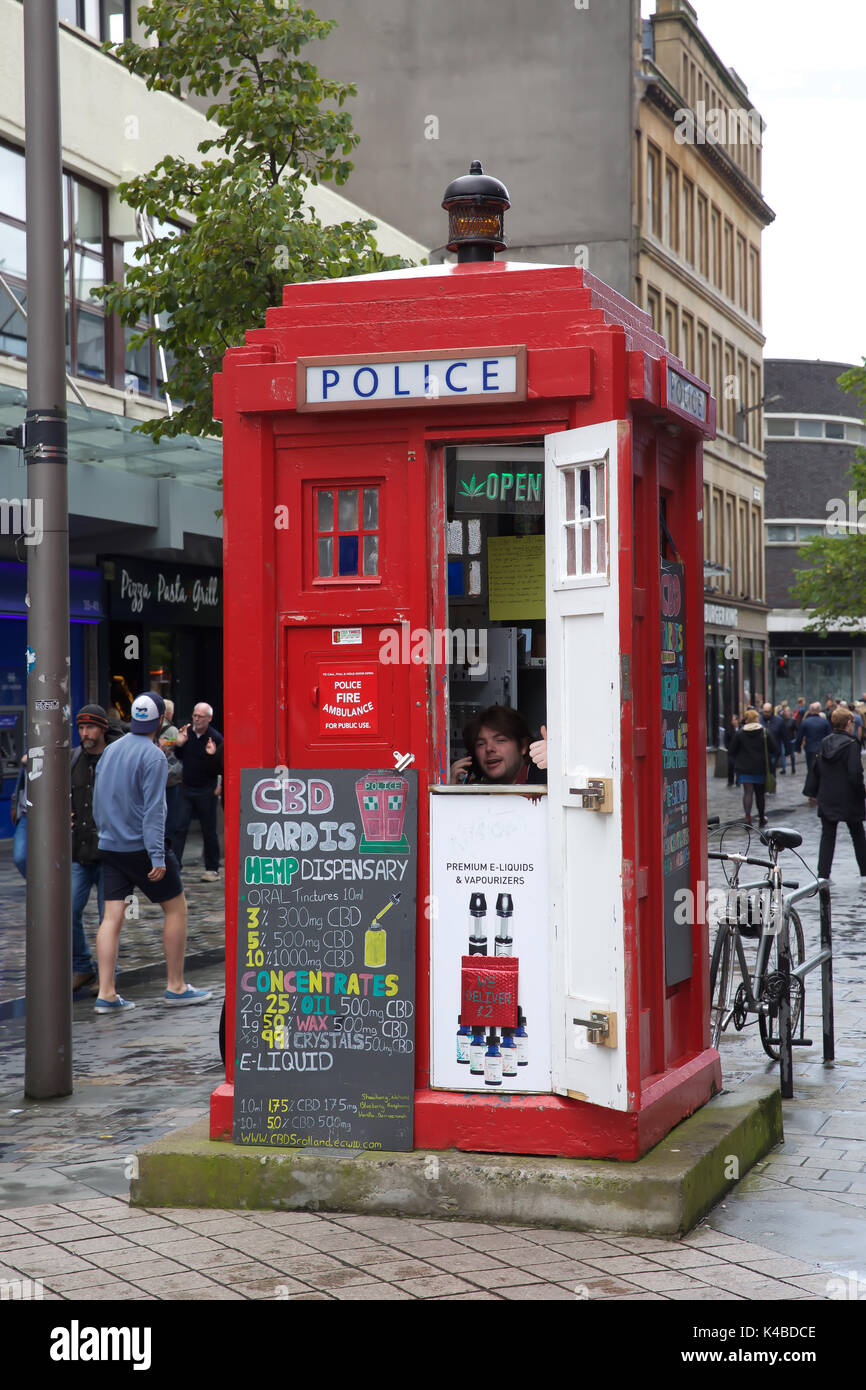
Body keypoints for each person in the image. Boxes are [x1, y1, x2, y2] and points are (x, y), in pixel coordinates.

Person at [92, 691, 212, 1012]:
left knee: (112, 916)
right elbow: (154, 812)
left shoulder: (111, 750)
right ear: (160, 720)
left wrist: (104, 835)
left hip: (111, 846)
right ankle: (175, 985)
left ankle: (106, 993)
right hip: (141, 849)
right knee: (176, 909)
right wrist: (157, 856)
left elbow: (98, 800)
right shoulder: (154, 755)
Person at [70, 705, 123, 993]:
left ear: (103, 729)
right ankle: (81, 967)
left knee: (109, 919)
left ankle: (108, 977)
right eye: (80, 728)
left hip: (110, 855)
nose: (84, 733)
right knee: (68, 910)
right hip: (79, 852)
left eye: (89, 728)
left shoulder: (115, 758)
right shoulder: (75, 759)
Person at [806, 706, 866, 880]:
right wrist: (861, 792)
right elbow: (854, 773)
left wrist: (814, 791)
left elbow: (815, 769)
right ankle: (864, 871)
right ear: (848, 723)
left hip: (827, 795)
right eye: (852, 722)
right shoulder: (852, 744)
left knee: (827, 837)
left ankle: (823, 875)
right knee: (858, 834)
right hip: (848, 797)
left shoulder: (825, 742)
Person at [172, 702, 224, 880]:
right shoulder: (187, 733)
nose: (196, 719)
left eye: (200, 716)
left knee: (209, 831)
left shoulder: (215, 738)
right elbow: (180, 757)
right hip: (187, 787)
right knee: (179, 828)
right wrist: (179, 744)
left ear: (209, 718)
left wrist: (212, 757)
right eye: (194, 715)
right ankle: (175, 867)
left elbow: (220, 766)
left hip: (206, 789)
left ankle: (212, 868)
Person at [449, 705, 547, 785]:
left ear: (522, 746)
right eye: (481, 744)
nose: (489, 748)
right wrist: (453, 795)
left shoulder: (545, 780)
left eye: (500, 740)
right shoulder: (475, 792)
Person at [728, 707, 776, 828]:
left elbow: (732, 750)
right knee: (760, 794)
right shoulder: (764, 732)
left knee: (748, 792)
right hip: (760, 767)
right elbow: (774, 749)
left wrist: (737, 763)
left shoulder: (740, 733)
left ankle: (748, 817)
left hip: (744, 768)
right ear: (755, 719)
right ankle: (761, 818)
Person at [158, 698, 183, 842]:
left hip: (154, 779)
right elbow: (178, 744)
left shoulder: (151, 728)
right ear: (169, 713)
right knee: (170, 819)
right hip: (169, 781)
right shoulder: (172, 730)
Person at [796, 702, 830, 803]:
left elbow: (799, 737)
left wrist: (798, 748)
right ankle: (819, 791)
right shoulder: (824, 722)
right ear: (819, 710)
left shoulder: (806, 722)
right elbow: (829, 736)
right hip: (822, 750)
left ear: (810, 711)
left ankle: (811, 793)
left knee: (811, 770)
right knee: (821, 770)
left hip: (810, 750)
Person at [10, 753, 27, 879]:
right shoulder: (26, 759)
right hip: (26, 814)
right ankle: (37, 885)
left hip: (50, 816)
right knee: (20, 857)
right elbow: (20, 784)